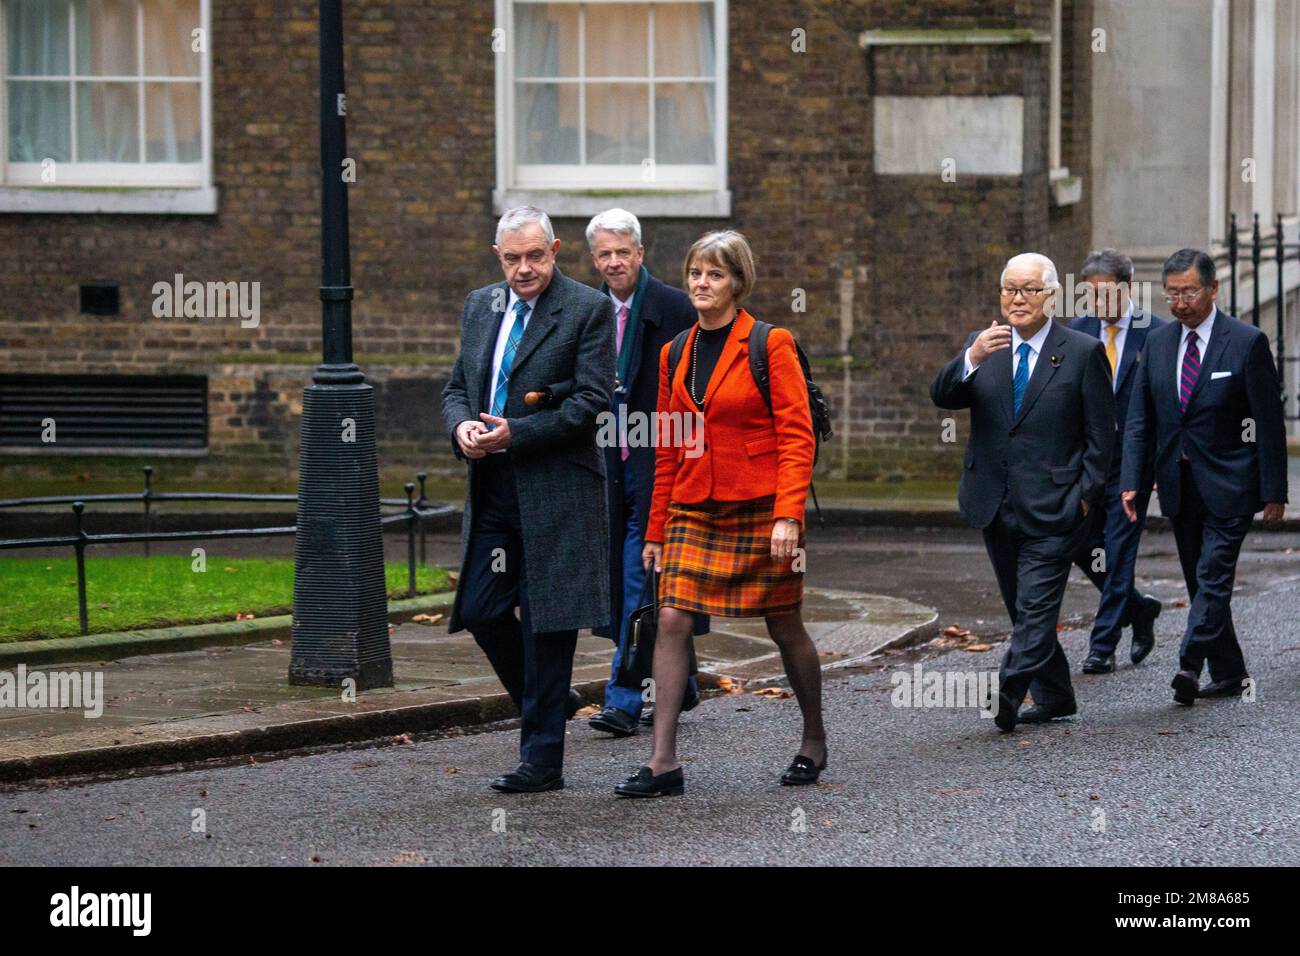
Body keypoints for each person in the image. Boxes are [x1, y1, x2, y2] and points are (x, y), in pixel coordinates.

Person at [614, 229, 823, 798]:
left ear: (738, 283)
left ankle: (813, 739)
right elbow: (667, 445)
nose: (702, 284)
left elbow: (796, 435)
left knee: (783, 625)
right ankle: (663, 762)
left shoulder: (769, 342)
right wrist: (655, 529)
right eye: (695, 274)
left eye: (715, 274)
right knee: (673, 620)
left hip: (761, 507)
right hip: (691, 504)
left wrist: (789, 515)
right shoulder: (674, 351)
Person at [440, 205, 614, 793]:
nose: (524, 269)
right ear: (498, 257)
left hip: (556, 490)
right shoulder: (478, 304)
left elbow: (592, 405)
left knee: (546, 624)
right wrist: (461, 426)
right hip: (491, 486)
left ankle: (541, 762)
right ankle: (549, 696)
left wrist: (519, 431)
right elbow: (457, 387)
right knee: (482, 608)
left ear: (555, 249)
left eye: (535, 256)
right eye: (512, 258)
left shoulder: (586, 310)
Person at [931, 252, 1114, 732]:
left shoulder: (1081, 351)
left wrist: (1086, 494)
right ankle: (1055, 696)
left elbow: (1102, 436)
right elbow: (943, 395)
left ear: (1051, 297)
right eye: (1009, 289)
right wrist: (970, 359)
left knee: (1034, 609)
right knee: (1021, 604)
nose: (1017, 298)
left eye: (1029, 289)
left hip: (1057, 505)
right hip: (993, 500)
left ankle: (1009, 690)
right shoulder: (984, 345)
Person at [1121, 248, 1288, 705]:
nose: (1178, 303)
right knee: (1200, 581)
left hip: (1232, 482)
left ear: (1213, 289)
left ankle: (1189, 663)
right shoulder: (1156, 344)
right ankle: (1230, 671)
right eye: (1171, 293)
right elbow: (1141, 419)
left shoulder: (1246, 342)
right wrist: (1131, 478)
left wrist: (1274, 490)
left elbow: (1268, 423)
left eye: (1188, 292)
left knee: (1213, 575)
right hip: (1178, 483)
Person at [582, 208, 708, 739]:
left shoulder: (676, 309)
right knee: (640, 581)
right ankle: (682, 681)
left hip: (661, 468)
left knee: (639, 573)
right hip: (605, 468)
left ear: (641, 253)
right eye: (604, 254)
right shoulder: (586, 312)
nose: (614, 262)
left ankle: (624, 698)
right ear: (594, 260)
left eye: (622, 252)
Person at [1067, 249, 1166, 673]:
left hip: (1132, 464)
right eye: (1089, 294)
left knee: (1119, 551)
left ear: (1127, 288)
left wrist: (1156, 467)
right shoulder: (1078, 331)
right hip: (1088, 464)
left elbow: (1163, 405)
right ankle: (1138, 609)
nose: (1097, 303)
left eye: (1105, 293)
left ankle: (1102, 645)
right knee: (1079, 545)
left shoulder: (1155, 333)